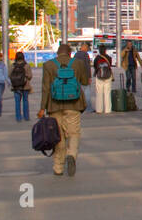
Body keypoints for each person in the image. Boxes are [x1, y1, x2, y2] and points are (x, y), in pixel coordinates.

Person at [37, 43, 91, 177]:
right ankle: (71, 154)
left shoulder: (48, 65)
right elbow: (84, 82)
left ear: (57, 53)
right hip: (74, 104)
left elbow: (45, 88)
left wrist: (42, 108)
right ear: (70, 54)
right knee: (73, 133)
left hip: (54, 106)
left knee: (58, 136)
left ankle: (58, 167)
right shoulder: (78, 63)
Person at [8, 51, 32, 122]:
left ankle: (18, 117)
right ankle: (26, 117)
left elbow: (9, 75)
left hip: (16, 87)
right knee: (25, 101)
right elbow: (30, 76)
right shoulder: (26, 65)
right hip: (25, 86)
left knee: (17, 102)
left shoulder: (12, 65)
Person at [91, 47, 113, 114]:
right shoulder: (109, 57)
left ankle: (99, 109)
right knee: (107, 93)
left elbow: (95, 66)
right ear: (105, 50)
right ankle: (108, 110)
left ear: (99, 51)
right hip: (108, 76)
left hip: (99, 76)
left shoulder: (97, 58)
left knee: (99, 93)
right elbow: (110, 66)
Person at [72, 42, 93, 111]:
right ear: (84, 48)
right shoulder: (85, 55)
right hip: (85, 77)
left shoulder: (76, 54)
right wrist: (89, 77)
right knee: (87, 92)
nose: (87, 50)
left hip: (77, 77)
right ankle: (88, 108)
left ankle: (78, 107)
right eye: (87, 48)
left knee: (78, 92)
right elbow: (87, 66)